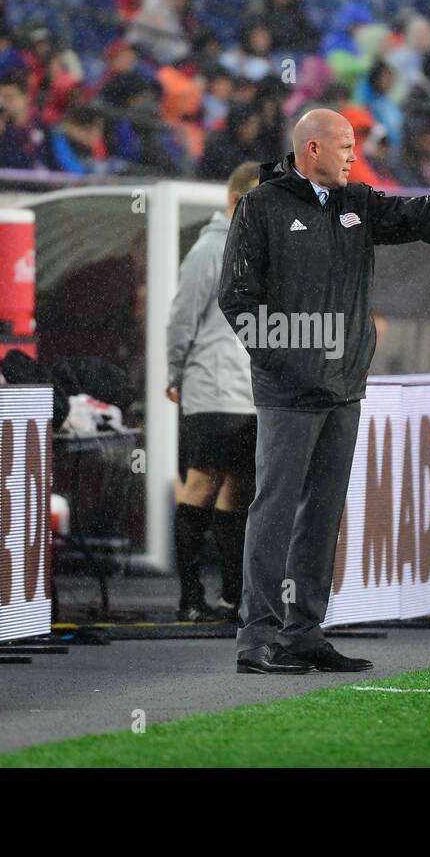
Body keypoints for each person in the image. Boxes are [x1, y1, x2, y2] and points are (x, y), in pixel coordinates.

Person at [217, 108, 430, 674]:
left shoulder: (358, 203)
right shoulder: (262, 206)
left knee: (322, 516)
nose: (354, 156)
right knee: (274, 512)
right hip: (288, 392)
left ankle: (304, 632)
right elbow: (236, 297)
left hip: (344, 387)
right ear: (312, 149)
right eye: (345, 146)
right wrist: (288, 361)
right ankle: (256, 637)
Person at [166, 162, 262, 621]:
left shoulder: (260, 250)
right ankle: (188, 599)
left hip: (249, 391)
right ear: (239, 201)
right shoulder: (209, 250)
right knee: (202, 484)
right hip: (212, 387)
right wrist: (175, 373)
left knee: (239, 490)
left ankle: (231, 596)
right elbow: (182, 317)